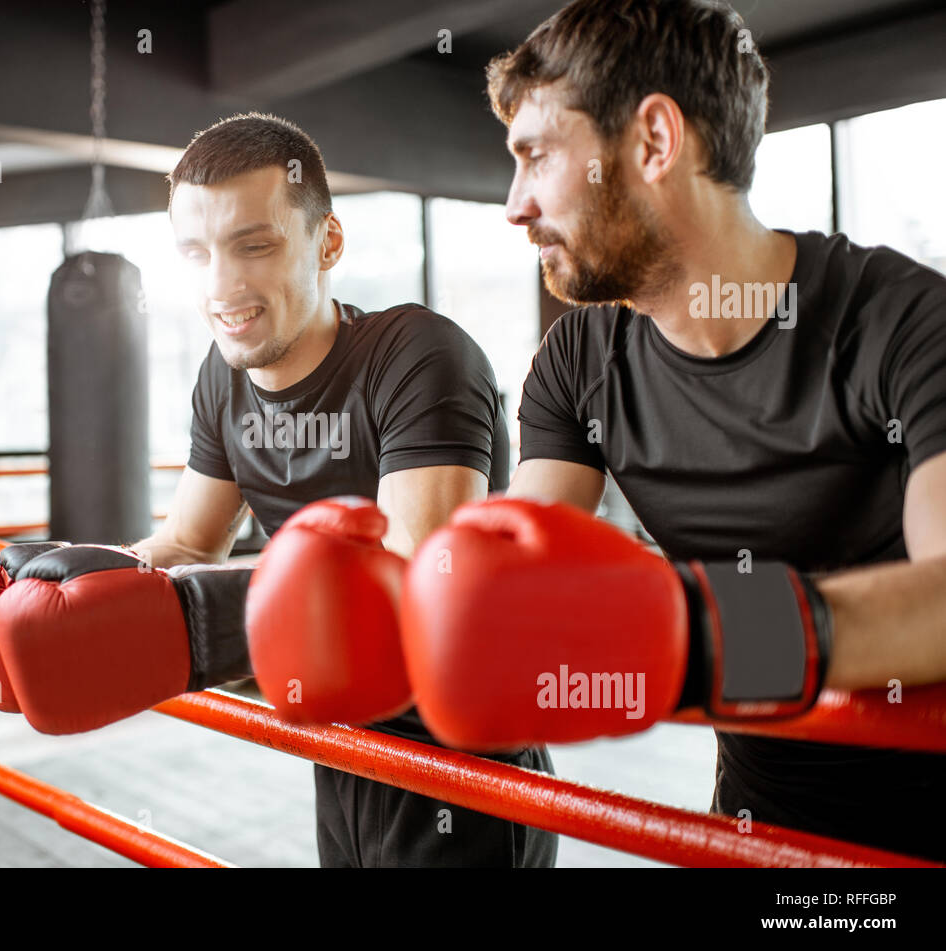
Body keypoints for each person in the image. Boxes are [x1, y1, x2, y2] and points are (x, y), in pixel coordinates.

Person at [264, 0, 946, 861]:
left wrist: (696, 632)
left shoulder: (903, 325)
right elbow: (505, 584)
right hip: (755, 820)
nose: (515, 205)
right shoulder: (577, 360)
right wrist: (203, 613)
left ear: (655, 142)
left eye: (536, 157)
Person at [0, 112, 557, 867]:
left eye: (255, 244)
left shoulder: (418, 355)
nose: (223, 284)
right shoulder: (225, 377)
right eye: (197, 252)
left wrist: (197, 628)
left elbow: (411, 580)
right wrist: (79, 587)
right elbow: (186, 541)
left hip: (459, 752)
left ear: (327, 243)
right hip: (341, 736)